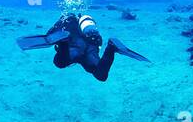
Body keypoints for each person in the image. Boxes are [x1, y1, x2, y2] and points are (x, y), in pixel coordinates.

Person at [17, 10, 149, 82]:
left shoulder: (64, 21)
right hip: (90, 46)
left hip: (74, 47)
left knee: (60, 62)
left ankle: (64, 42)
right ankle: (111, 48)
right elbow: (97, 39)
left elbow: (51, 35)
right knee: (101, 75)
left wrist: (60, 41)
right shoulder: (86, 25)